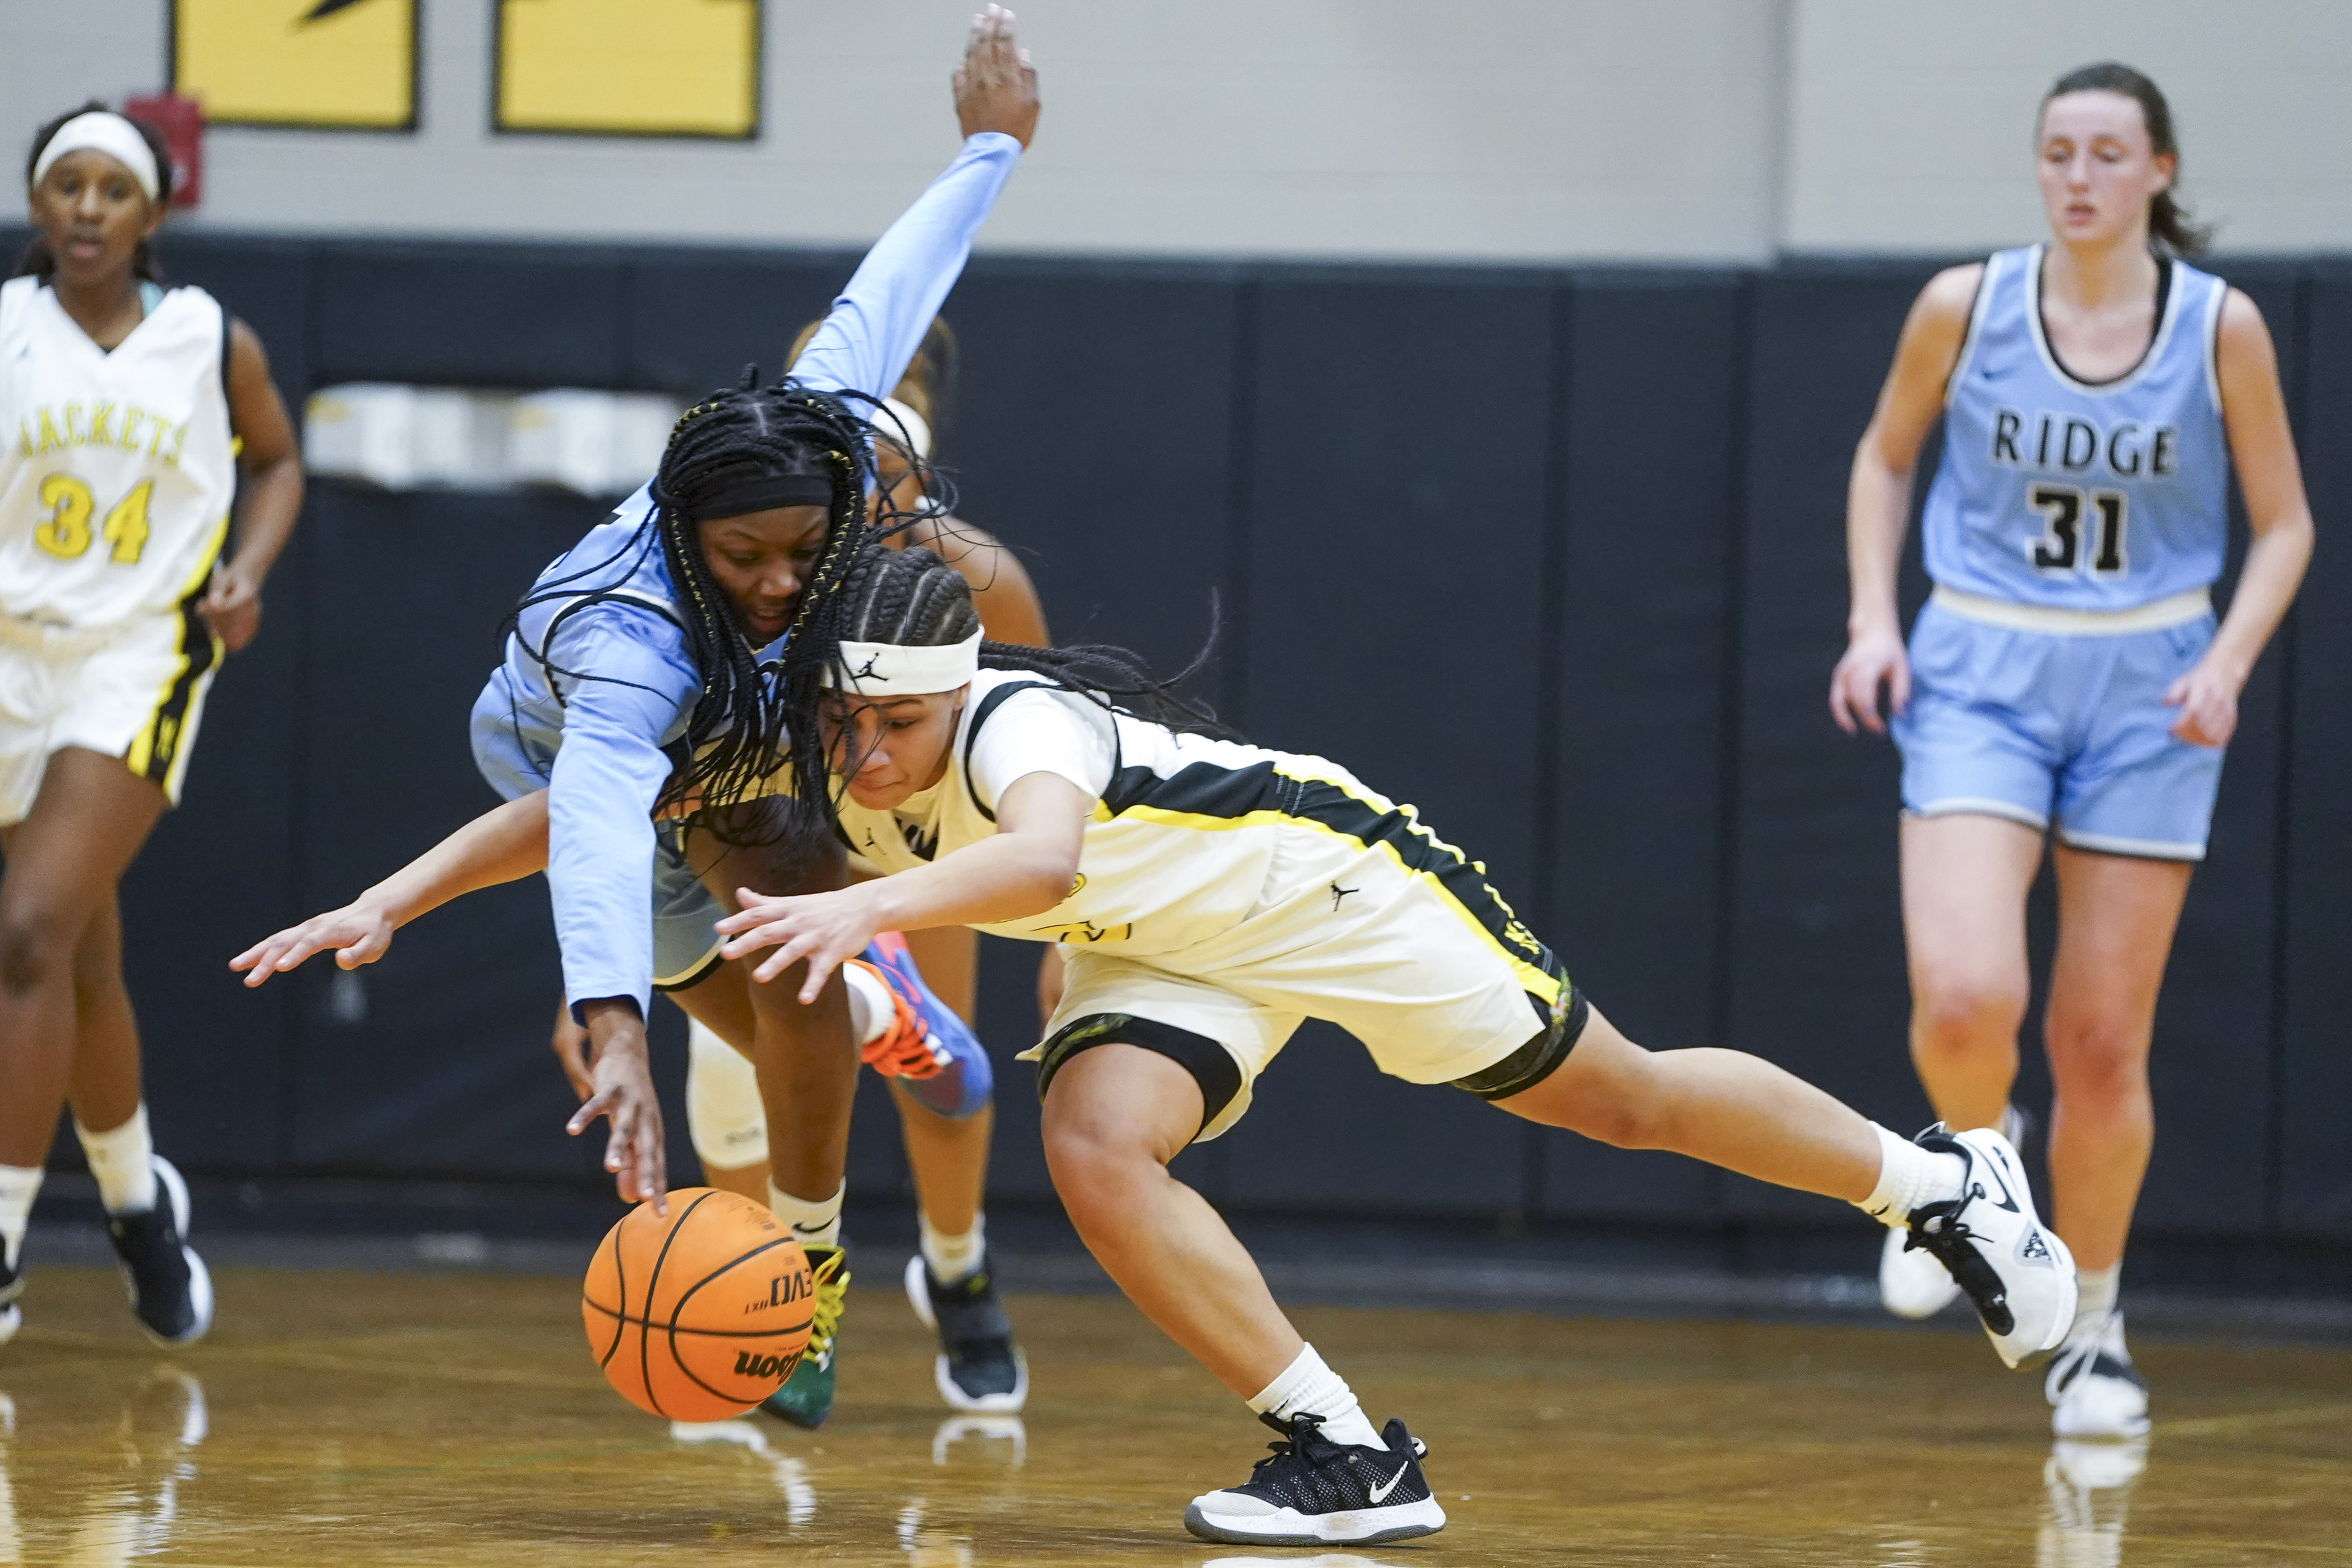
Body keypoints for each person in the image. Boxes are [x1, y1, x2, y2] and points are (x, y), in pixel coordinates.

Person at [711, 542, 2079, 1547]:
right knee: (1092, 1144)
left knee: (1624, 1100)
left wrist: (870, 907)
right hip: (1167, 941)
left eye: (900, 726)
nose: (869, 756)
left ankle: (1943, 1188)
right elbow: (603, 799)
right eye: (845, 723)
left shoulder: (1020, 724)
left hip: (1329, 886)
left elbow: (1045, 854)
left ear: (956, 697)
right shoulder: (820, 744)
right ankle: (1342, 1449)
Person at [234, 7, 1041, 1428]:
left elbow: (890, 290)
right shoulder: (633, 648)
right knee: (779, 1009)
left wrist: (988, 143)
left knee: (792, 980)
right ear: (688, 535)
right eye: (751, 562)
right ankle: (869, 996)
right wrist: (605, 1018)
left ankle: (812, 1264)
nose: (785, 580)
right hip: (581, 768)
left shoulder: (825, 433)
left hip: (740, 767)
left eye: (810, 548)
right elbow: (590, 821)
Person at [1829, 62, 2313, 1442]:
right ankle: (1967, 1177)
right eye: (2058, 152)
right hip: (1982, 667)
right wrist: (1875, 619)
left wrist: (2225, 660)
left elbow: (2285, 525)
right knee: (1968, 996)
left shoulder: (2219, 327)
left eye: (2108, 152)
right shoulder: (1961, 306)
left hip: (2151, 684)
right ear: (2037, 168)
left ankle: (2093, 1325)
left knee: (2100, 1042)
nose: (2079, 175)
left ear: (2159, 170)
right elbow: (1881, 458)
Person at [655, 313, 1056, 1414]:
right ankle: (770, 1297)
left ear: (918, 478)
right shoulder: (734, 569)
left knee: (946, 1077)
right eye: (849, 479)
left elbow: (1052, 750)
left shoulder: (972, 574)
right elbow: (604, 789)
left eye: (889, 482)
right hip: (780, 843)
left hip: (923, 843)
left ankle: (958, 1264)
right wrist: (588, 972)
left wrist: (1071, 928)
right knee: (738, 1082)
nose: (868, 505)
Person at [0, 104, 304, 1347]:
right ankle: (137, 1204)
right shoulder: (6, 330)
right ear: (38, 205)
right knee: (74, 959)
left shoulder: (207, 340)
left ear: (151, 213)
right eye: (62, 185)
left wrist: (248, 568)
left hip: (136, 656)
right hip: (10, 651)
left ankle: (3, 1251)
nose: (84, 208)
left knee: (24, 932)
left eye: (108, 188)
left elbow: (278, 461)